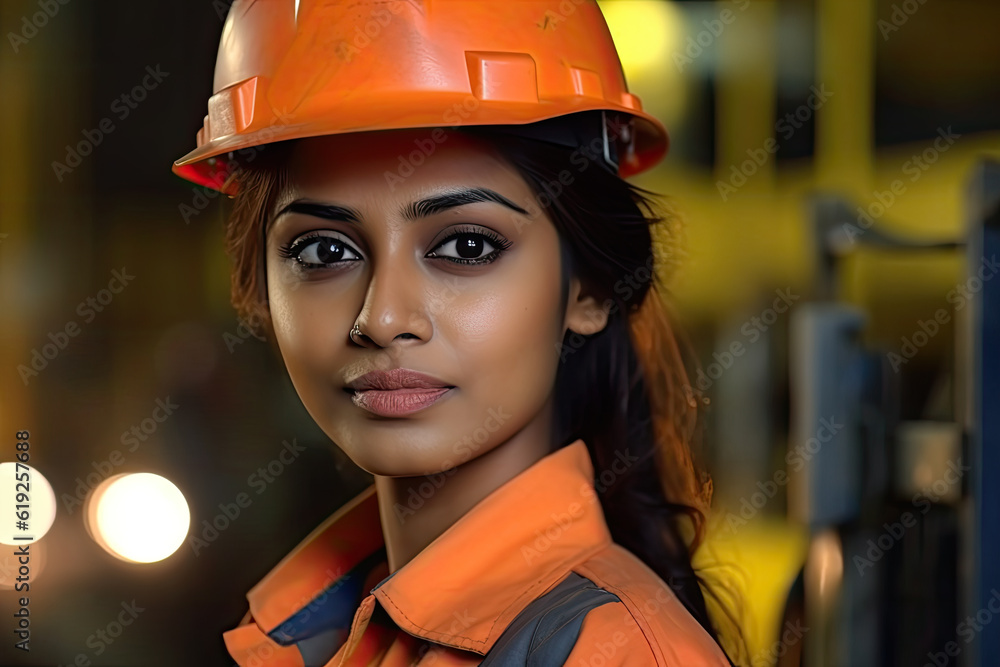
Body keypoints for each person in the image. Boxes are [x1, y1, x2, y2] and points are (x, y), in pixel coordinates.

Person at [172, 1, 745, 665]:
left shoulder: (615, 652)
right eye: (325, 251)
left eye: (467, 246)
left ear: (587, 289)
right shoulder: (316, 632)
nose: (382, 318)